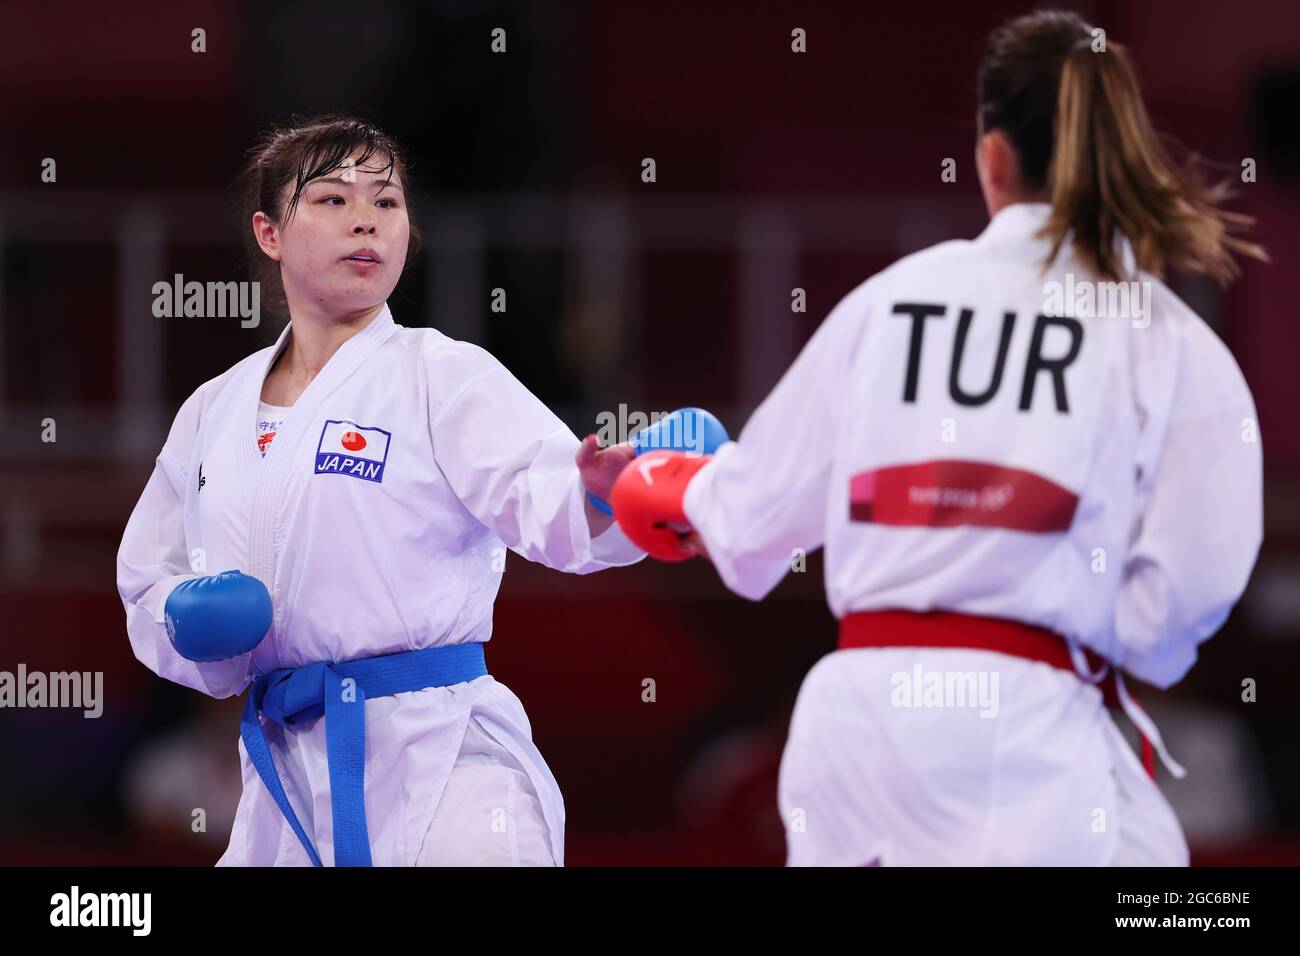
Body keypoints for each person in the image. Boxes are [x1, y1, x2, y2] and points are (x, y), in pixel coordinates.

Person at [609, 10, 1266, 866]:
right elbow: (1192, 586)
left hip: (853, 730)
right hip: (1027, 731)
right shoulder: (1171, 341)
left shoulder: (886, 303)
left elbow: (750, 513)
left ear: (992, 156)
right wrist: (1099, 638)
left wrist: (658, 481)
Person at [117, 114, 645, 867]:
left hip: (444, 770)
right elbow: (147, 580)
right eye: (332, 199)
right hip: (287, 779)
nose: (366, 217)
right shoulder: (213, 410)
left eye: (387, 201)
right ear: (270, 233)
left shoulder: (439, 374)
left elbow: (545, 491)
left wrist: (598, 497)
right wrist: (180, 615)